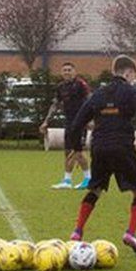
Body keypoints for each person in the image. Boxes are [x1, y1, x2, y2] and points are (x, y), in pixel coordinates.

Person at [66, 55, 136, 256]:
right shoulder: (132, 92)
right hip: (122, 146)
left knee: (95, 189)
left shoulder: (98, 94)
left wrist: (76, 148)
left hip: (99, 146)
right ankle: (130, 233)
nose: (134, 79)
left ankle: (77, 231)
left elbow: (77, 123)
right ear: (128, 73)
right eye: (134, 76)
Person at [40, 62, 92, 190]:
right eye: (65, 70)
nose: (67, 72)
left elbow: (91, 101)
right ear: (61, 73)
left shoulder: (80, 84)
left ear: (74, 72)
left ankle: (88, 179)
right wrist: (46, 121)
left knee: (78, 151)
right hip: (69, 122)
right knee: (68, 151)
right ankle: (67, 181)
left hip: (80, 122)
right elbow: (55, 104)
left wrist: (90, 119)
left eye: (69, 70)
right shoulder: (61, 87)